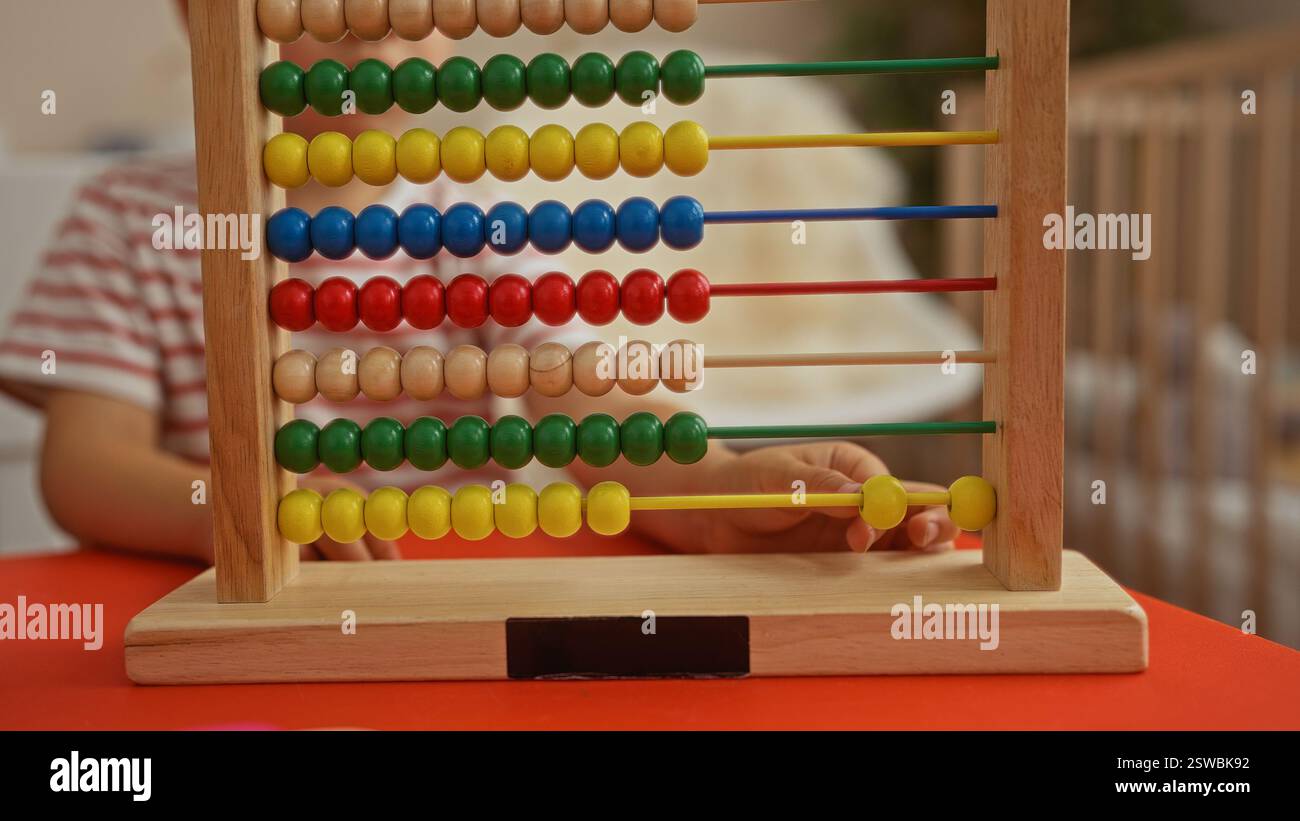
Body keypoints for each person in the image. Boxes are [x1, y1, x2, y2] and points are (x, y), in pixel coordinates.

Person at [0, 2, 960, 563]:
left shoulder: (477, 213)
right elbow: (85, 469)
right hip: (231, 594)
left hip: (448, 588)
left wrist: (723, 492)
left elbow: (588, 412)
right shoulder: (125, 219)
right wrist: (262, 509)